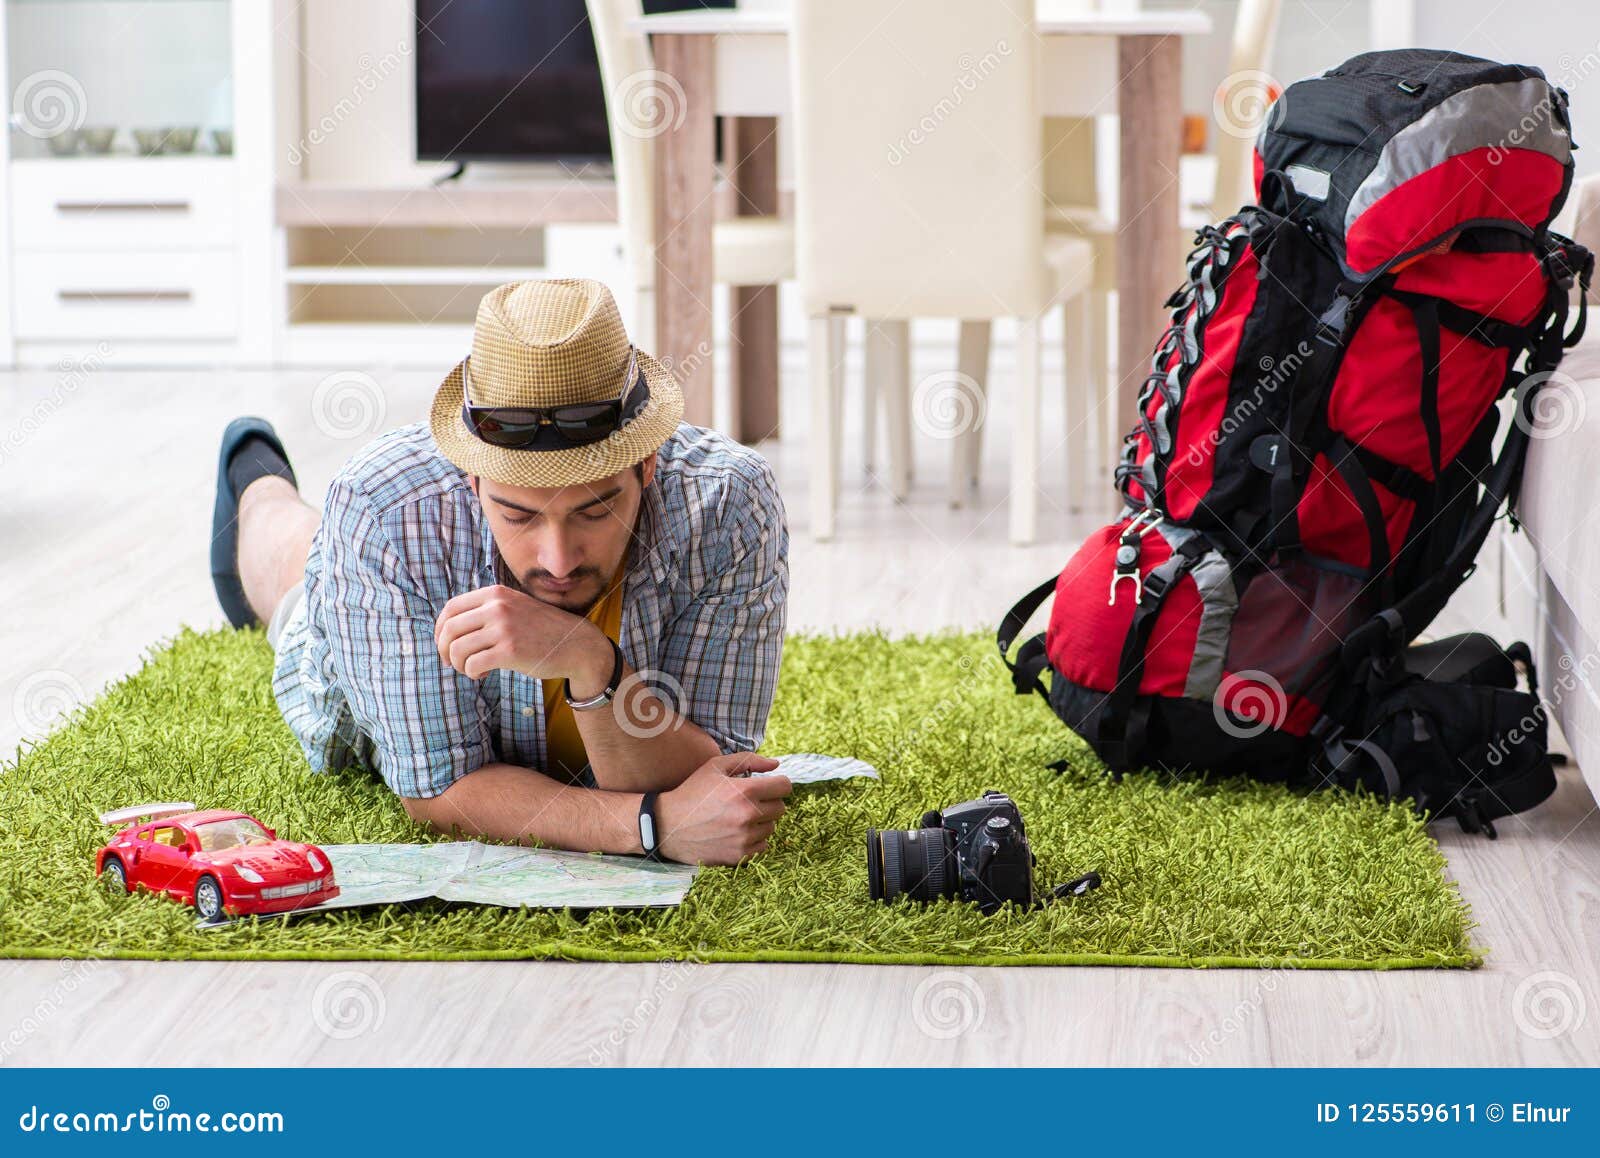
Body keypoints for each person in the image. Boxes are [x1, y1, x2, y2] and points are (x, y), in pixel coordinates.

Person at [209, 279, 792, 866]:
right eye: (518, 515)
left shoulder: (728, 502)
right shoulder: (383, 511)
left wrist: (593, 665)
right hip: (345, 615)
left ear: (647, 465)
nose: (558, 560)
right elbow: (438, 788)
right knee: (293, 574)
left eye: (595, 510)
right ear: (472, 479)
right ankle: (255, 473)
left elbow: (714, 773)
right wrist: (651, 826)